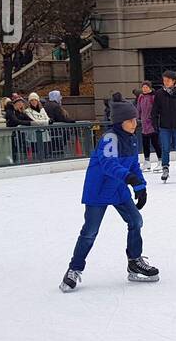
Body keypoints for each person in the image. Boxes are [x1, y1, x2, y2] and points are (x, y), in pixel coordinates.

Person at [59, 99, 156, 292]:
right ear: (120, 121)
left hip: (119, 190)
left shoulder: (131, 138)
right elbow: (108, 164)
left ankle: (134, 262)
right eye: (130, 120)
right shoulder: (110, 138)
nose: (134, 123)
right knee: (90, 232)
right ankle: (74, 269)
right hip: (99, 190)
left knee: (136, 221)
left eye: (135, 119)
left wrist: (141, 187)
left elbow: (134, 165)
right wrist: (129, 178)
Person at [135, 80, 160, 171]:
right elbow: (138, 109)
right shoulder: (141, 97)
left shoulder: (153, 97)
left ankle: (160, 161)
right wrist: (137, 119)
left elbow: (156, 109)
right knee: (145, 144)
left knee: (155, 143)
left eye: (146, 87)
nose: (144, 89)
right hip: (144, 124)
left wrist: (153, 119)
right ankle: (147, 162)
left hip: (152, 124)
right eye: (143, 87)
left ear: (150, 88)